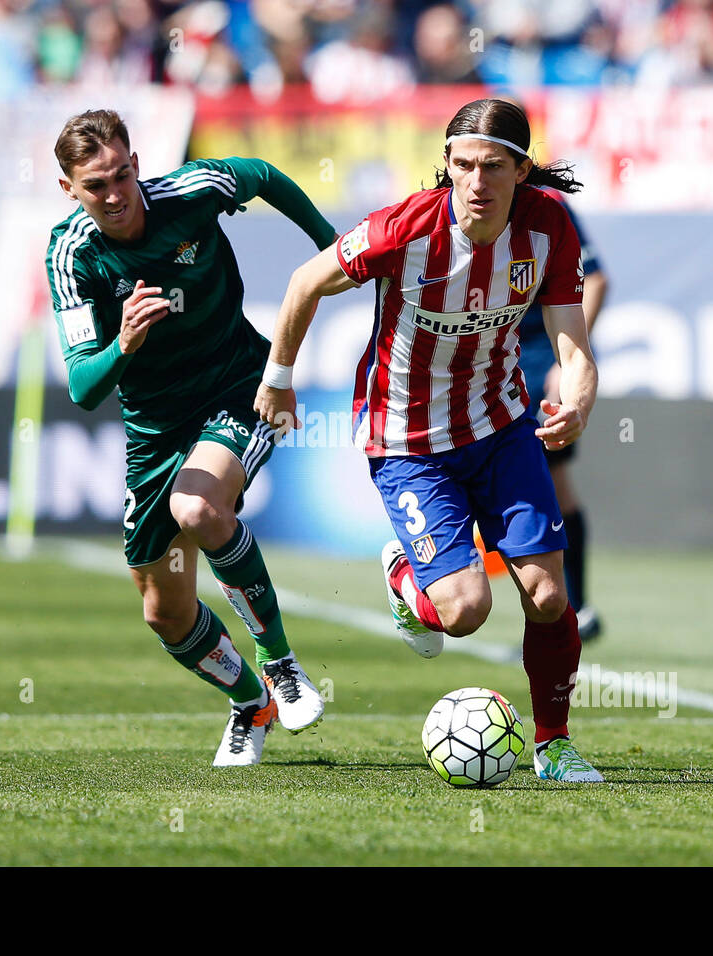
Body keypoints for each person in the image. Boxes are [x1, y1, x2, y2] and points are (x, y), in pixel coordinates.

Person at [255, 98, 604, 783]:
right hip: (408, 439)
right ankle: (403, 573)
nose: (475, 181)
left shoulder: (549, 227)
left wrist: (580, 401)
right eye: (463, 165)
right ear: (447, 163)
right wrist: (278, 379)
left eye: (493, 167)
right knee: (465, 613)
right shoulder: (406, 228)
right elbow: (305, 282)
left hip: (502, 428)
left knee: (550, 597)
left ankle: (554, 744)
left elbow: (574, 344)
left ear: (521, 170)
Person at [46, 109, 335, 766]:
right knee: (165, 614)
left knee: (200, 506)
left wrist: (328, 244)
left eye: (123, 174)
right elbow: (85, 389)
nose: (116, 194)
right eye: (96, 185)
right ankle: (249, 699)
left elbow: (260, 175)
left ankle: (280, 662)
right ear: (69, 190)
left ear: (137, 163)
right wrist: (122, 344)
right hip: (154, 430)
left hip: (240, 388)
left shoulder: (192, 191)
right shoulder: (71, 255)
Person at [515, 189, 608, 642]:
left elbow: (595, 279)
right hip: (486, 357)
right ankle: (564, 610)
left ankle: (571, 609)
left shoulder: (547, 205)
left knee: (549, 478)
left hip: (536, 353)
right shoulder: (462, 198)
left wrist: (562, 356)